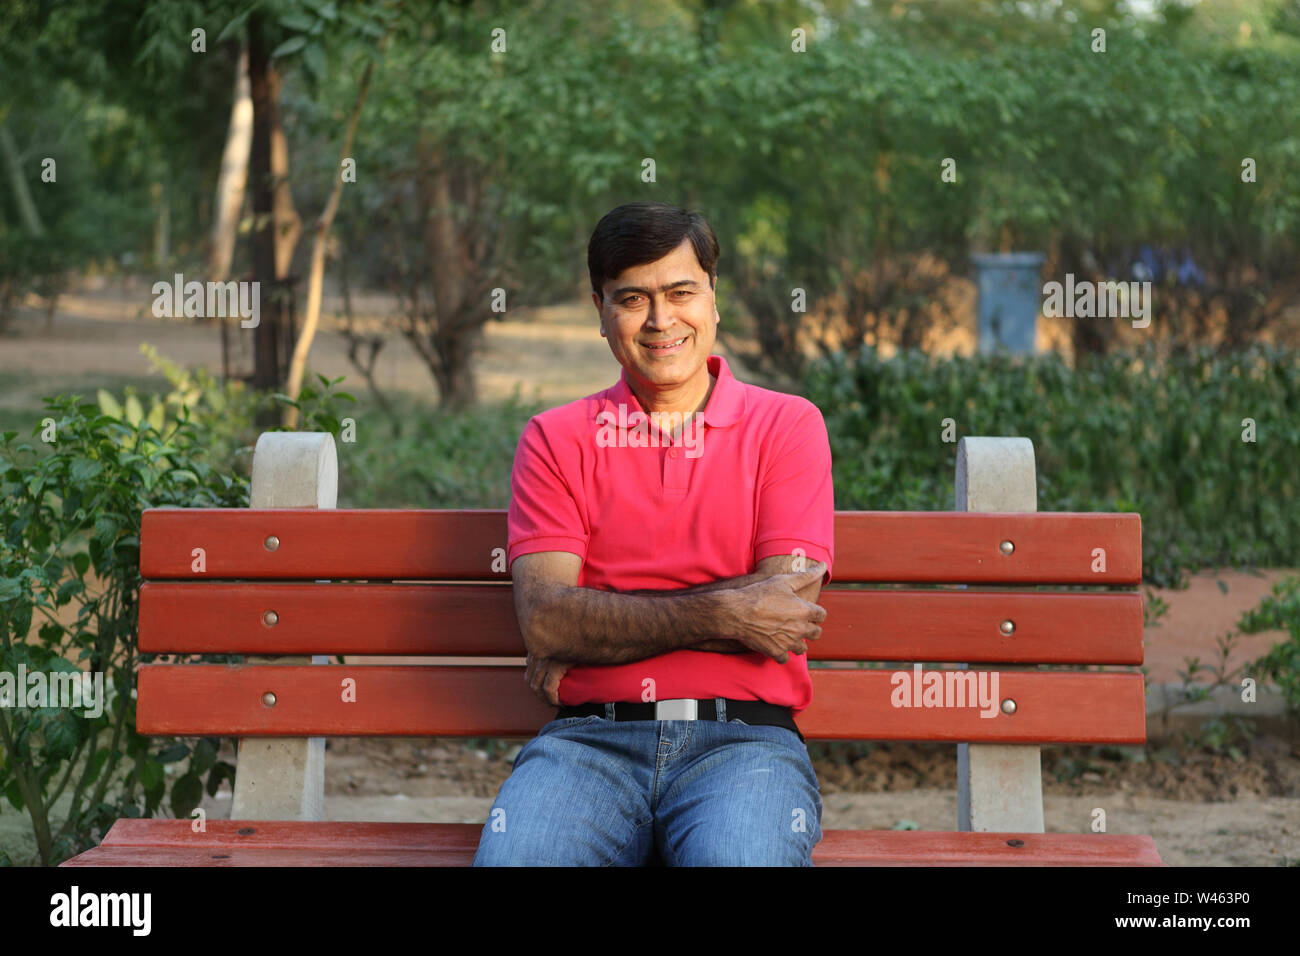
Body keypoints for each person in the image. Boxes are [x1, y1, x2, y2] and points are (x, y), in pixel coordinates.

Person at [473, 201, 834, 866]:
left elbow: (782, 610)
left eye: (680, 292)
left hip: (744, 746)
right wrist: (728, 608)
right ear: (600, 311)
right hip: (588, 746)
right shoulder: (557, 439)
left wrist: (598, 625)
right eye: (633, 297)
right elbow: (548, 623)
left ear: (713, 299)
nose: (662, 319)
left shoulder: (788, 427)